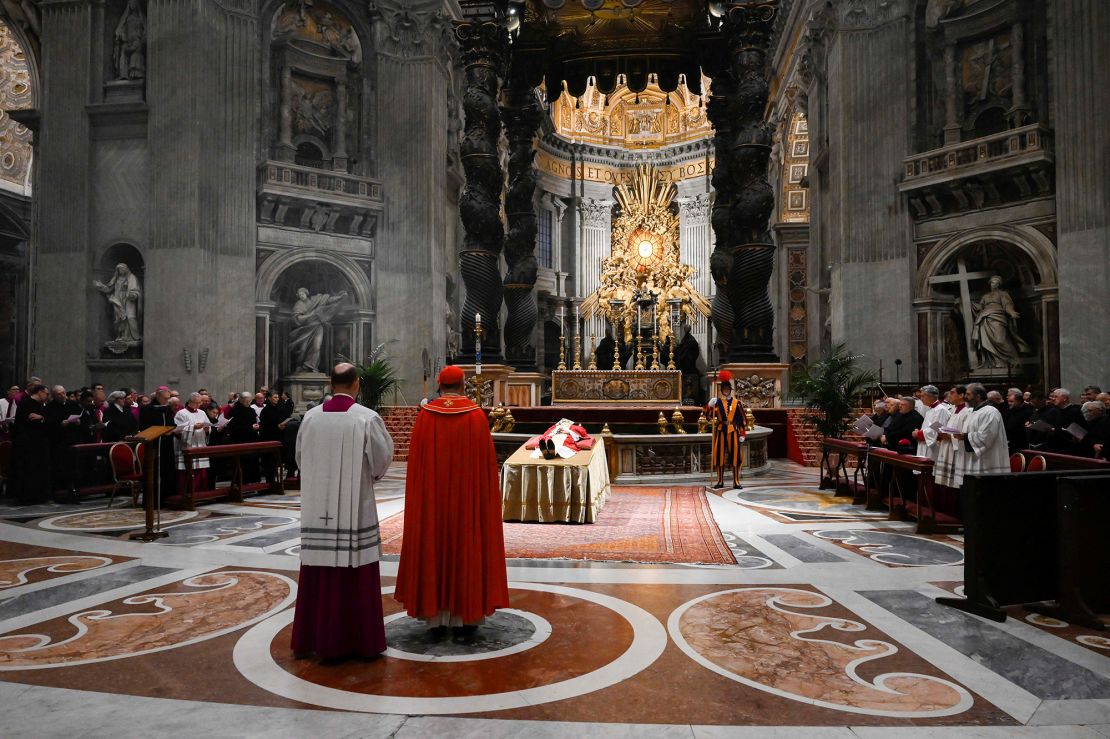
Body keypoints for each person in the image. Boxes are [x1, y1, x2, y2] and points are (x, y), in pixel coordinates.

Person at [395, 365, 509, 640]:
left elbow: (417, 467)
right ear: (463, 385)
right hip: (467, 501)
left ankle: (435, 619)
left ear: (440, 385)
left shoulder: (426, 416)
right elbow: (486, 469)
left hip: (432, 502)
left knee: (434, 543)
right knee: (466, 545)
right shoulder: (475, 417)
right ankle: (467, 616)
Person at [292, 363, 394, 661]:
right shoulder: (366, 418)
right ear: (357, 384)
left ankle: (314, 638)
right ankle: (358, 641)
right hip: (355, 506)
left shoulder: (309, 418)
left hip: (315, 505)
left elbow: (300, 458)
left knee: (318, 568)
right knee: (355, 571)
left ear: (330, 383)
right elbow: (380, 461)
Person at [949, 382, 1010, 481]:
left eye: (968, 394)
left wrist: (964, 436)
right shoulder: (973, 411)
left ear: (978, 396)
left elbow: (986, 436)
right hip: (974, 459)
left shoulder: (990, 412)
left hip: (987, 461)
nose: (965, 397)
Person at [706, 370, 746, 490]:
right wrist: (709, 406)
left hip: (733, 430)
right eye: (724, 389)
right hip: (720, 430)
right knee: (719, 456)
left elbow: (742, 419)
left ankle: (736, 481)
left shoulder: (736, 403)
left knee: (735, 457)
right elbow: (708, 416)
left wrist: (742, 433)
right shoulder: (717, 402)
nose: (726, 391)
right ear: (722, 390)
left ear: (730, 390)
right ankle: (720, 480)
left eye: (728, 389)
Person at [12, 384, 51, 504]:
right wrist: (41, 419)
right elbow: (28, 422)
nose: (47, 396)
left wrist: (42, 418)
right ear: (39, 392)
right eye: (46, 393)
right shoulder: (26, 403)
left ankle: (38, 496)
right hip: (28, 445)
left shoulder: (40, 405)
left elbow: (44, 420)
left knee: (38, 470)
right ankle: (28, 497)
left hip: (38, 444)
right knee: (28, 471)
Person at [139, 387, 178, 501]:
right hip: (154, 445)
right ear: (158, 395)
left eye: (168, 399)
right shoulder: (147, 409)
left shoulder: (166, 409)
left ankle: (167, 497)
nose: (166, 401)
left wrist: (173, 429)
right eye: (165, 398)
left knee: (167, 471)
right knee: (153, 472)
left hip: (167, 444)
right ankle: (152, 501)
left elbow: (172, 424)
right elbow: (144, 427)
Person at [174, 393, 212, 494]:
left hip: (200, 445)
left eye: (200, 403)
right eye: (197, 403)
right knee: (186, 472)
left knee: (200, 472)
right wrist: (193, 428)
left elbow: (208, 425)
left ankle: (201, 493)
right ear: (190, 402)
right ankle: (186, 493)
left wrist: (207, 429)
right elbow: (177, 430)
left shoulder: (202, 412)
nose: (199, 405)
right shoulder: (181, 413)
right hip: (188, 447)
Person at [226, 392, 261, 483]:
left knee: (253, 463)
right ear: (241, 400)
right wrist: (250, 427)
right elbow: (234, 428)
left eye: (250, 401)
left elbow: (255, 422)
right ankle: (241, 484)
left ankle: (253, 483)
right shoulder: (234, 411)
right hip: (239, 441)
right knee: (242, 465)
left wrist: (256, 426)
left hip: (251, 440)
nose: (249, 403)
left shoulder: (251, 411)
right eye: (247, 401)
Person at [912, 385, 950, 461]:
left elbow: (938, 430)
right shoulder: (931, 409)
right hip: (925, 445)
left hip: (934, 448)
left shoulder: (940, 410)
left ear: (931, 396)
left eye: (923, 396)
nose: (921, 399)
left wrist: (918, 434)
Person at [526, 418, 594, 460]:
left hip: (565, 436)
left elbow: (583, 433)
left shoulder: (573, 427)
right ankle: (547, 452)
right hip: (554, 436)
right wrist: (554, 431)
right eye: (562, 422)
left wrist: (568, 431)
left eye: (565, 423)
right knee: (549, 441)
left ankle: (550, 453)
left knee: (562, 445)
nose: (564, 423)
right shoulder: (555, 427)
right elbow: (546, 433)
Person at [1003, 387, 1033, 455]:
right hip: (1009, 444)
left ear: (1019, 401)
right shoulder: (1009, 410)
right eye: (1008, 401)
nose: (1009, 403)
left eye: (1011, 402)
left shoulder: (1027, 411)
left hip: (1020, 444)